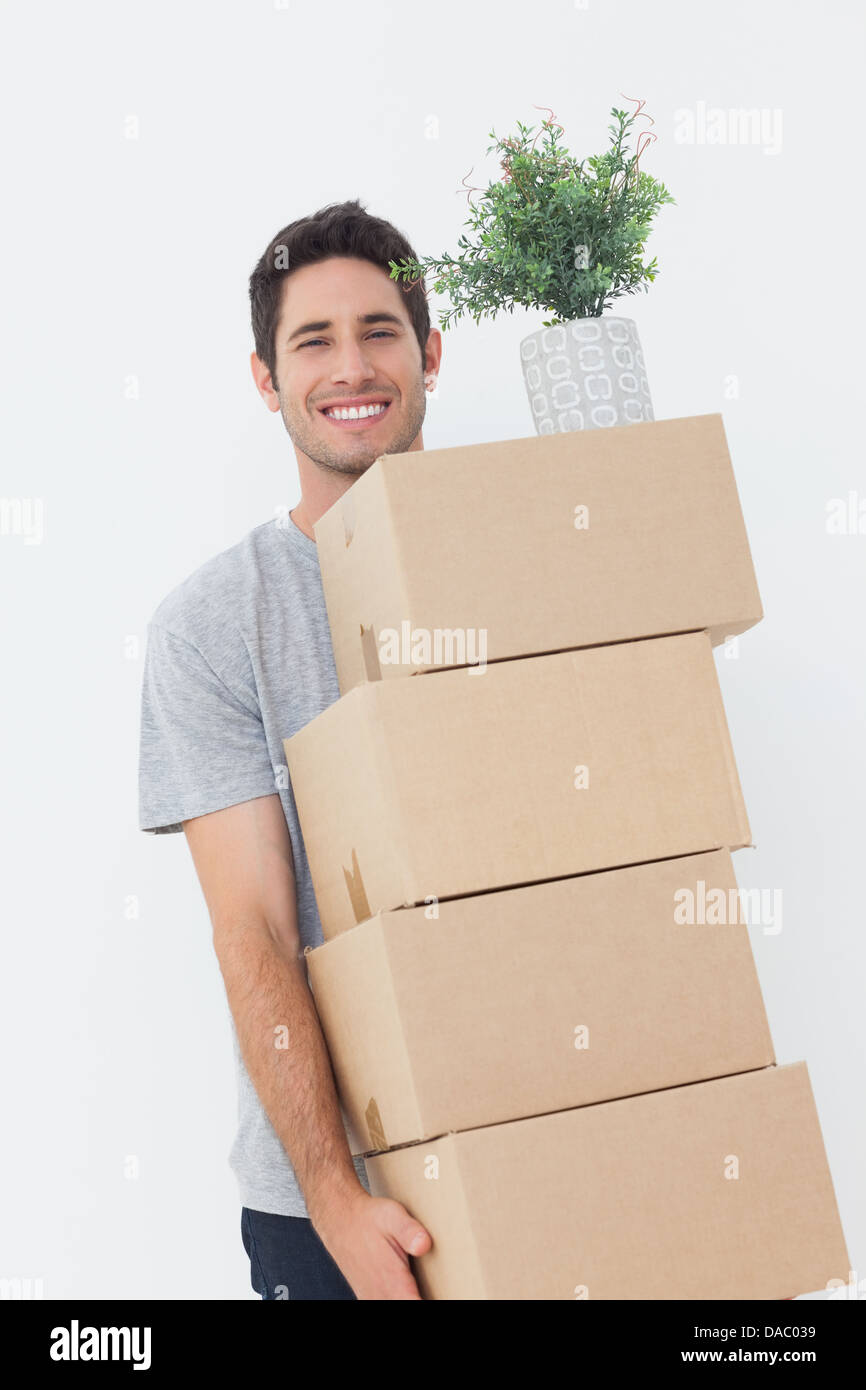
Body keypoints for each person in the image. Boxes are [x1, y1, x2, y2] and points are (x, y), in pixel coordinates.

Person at [138, 200, 442, 1300]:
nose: (350, 366)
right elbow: (254, 927)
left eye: (379, 330)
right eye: (311, 341)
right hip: (336, 1207)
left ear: (430, 353)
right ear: (266, 378)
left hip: (545, 1134)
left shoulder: (525, 554)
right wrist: (331, 1195)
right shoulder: (215, 624)